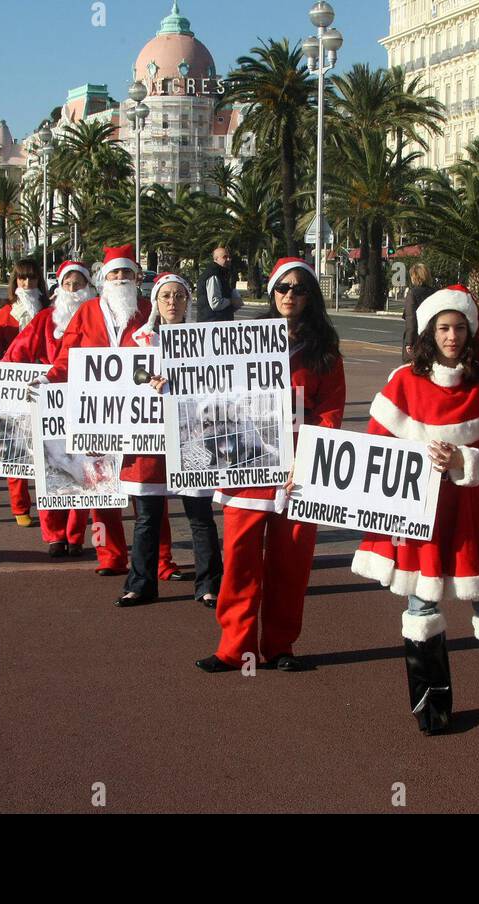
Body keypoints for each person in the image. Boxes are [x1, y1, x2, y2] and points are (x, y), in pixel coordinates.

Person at [352, 286, 479, 734]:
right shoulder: (403, 382)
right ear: (428, 333)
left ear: (471, 332)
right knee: (421, 605)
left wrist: (463, 461)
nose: (451, 336)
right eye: (442, 328)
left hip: (468, 513)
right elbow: (374, 447)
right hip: (418, 516)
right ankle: (431, 707)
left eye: (458, 328)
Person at [197, 258, 346, 673]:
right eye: (282, 288)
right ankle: (233, 648)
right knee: (240, 558)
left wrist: (312, 453)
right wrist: (169, 385)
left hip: (300, 469)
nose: (289, 296)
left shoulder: (324, 352)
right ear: (271, 291)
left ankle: (280, 646)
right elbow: (206, 383)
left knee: (290, 563)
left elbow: (331, 409)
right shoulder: (243, 339)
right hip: (247, 464)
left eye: (299, 289)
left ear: (310, 296)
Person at [118, 274, 223, 608]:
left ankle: (208, 585)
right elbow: (120, 382)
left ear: (188, 301)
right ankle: (141, 585)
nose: (172, 302)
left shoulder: (205, 342)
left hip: (192, 437)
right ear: (155, 302)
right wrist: (146, 383)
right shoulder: (137, 341)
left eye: (179, 296)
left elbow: (218, 384)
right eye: (166, 296)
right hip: (149, 443)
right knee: (147, 518)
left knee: (200, 516)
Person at [43, 245, 148, 576]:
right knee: (101, 486)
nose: (120, 279)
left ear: (136, 277)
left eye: (126, 273)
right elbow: (66, 355)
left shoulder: (148, 308)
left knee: (148, 492)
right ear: (104, 278)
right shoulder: (87, 311)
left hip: (142, 413)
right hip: (97, 412)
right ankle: (111, 557)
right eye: (114, 273)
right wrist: (48, 378)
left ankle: (160, 561)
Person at [3, 260, 95, 553]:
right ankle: (55, 535)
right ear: (59, 287)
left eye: (78, 284)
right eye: (68, 284)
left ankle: (75, 534)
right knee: (50, 467)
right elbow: (15, 354)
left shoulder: (98, 319)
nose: (73, 290)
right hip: (49, 401)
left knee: (83, 468)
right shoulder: (44, 318)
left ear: (88, 287)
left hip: (85, 401)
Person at [0, 258, 48, 522]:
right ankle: (20, 506)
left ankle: (51, 504)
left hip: (47, 387)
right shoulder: (6, 313)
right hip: (16, 387)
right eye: (22, 278)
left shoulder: (51, 310)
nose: (27, 283)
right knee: (16, 447)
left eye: (32, 278)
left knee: (49, 449)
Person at [194, 246, 242, 323]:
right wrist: (232, 301)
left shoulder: (223, 274)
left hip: (220, 323)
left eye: (229, 257)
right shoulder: (213, 275)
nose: (229, 259)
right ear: (216, 259)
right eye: (225, 257)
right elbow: (215, 303)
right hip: (212, 324)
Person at [401, 263, 436, 362]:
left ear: (414, 277)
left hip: (417, 338)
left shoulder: (413, 293)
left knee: (414, 369)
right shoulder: (435, 292)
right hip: (432, 337)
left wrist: (409, 342)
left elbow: (411, 319)